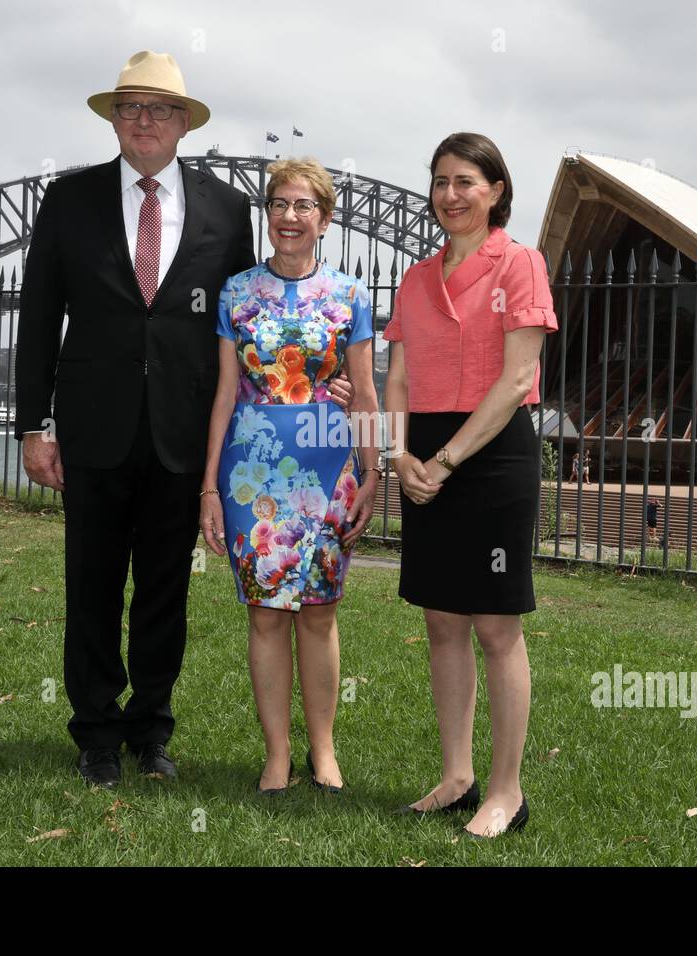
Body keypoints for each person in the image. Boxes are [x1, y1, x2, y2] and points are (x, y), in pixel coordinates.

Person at [13, 51, 352, 790]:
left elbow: (248, 317)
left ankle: (151, 730)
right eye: (130, 107)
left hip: (183, 429)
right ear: (114, 119)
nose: (144, 120)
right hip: (95, 426)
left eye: (159, 109)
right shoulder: (69, 200)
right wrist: (33, 424)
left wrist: (328, 386)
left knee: (166, 590)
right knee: (92, 585)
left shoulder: (228, 209)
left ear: (181, 124)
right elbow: (39, 315)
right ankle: (96, 732)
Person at [383, 132, 557, 839]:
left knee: (495, 625)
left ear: (496, 192)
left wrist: (445, 461)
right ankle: (457, 777)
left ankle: (507, 792)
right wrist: (397, 455)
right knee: (441, 622)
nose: (450, 195)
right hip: (421, 452)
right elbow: (395, 377)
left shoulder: (520, 264)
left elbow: (517, 379)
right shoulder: (415, 279)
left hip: (488, 458)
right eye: (440, 182)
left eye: (465, 182)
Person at [201, 159, 379, 796]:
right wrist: (208, 489)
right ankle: (277, 754)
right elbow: (224, 393)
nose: (290, 216)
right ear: (267, 214)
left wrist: (373, 470)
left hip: (328, 466)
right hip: (252, 474)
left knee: (320, 614)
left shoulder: (352, 295)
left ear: (325, 220)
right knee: (266, 616)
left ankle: (323, 750)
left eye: (304, 206)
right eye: (279, 204)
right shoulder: (235, 294)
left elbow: (365, 393)